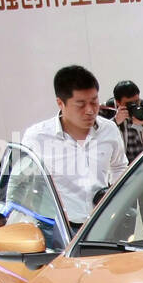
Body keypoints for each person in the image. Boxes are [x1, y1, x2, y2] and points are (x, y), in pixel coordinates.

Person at [21, 65, 127, 233]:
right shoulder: (37, 137)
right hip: (57, 230)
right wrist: (2, 218)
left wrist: (117, 200)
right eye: (80, 104)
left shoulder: (109, 130)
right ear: (60, 103)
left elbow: (119, 166)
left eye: (94, 101)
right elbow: (20, 183)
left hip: (102, 226)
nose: (90, 110)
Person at [104, 80, 143, 164]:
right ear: (117, 102)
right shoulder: (106, 110)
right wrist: (115, 122)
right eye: (129, 103)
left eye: (137, 101)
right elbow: (97, 139)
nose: (134, 106)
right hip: (119, 169)